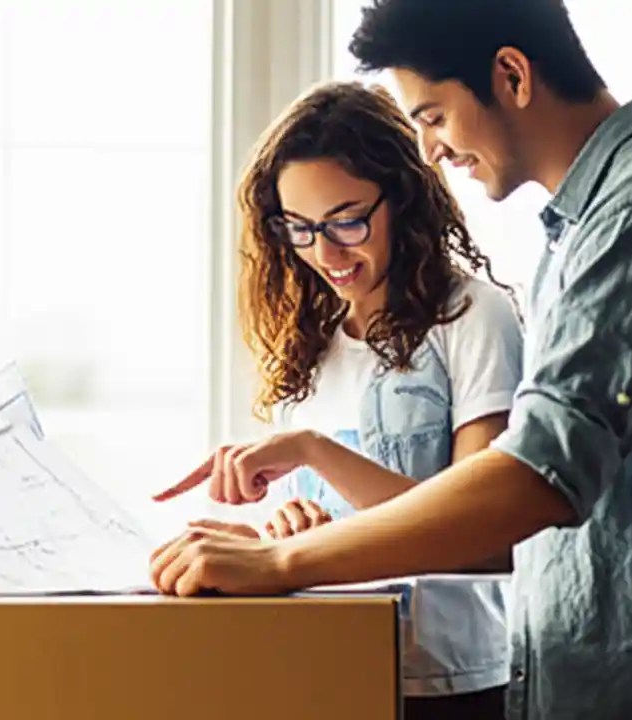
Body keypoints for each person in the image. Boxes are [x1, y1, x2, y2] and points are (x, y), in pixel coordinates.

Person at [149, 1, 632, 718]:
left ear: (511, 75)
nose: (431, 150)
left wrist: (281, 563)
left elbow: (536, 477)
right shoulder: (595, 225)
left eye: (434, 117)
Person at [155, 80, 522, 718]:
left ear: (403, 199)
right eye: (298, 228)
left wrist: (314, 451)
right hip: (332, 666)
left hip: (450, 682)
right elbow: (338, 539)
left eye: (347, 220)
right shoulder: (313, 343)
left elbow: (486, 534)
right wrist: (286, 534)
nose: (324, 253)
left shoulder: (472, 318)